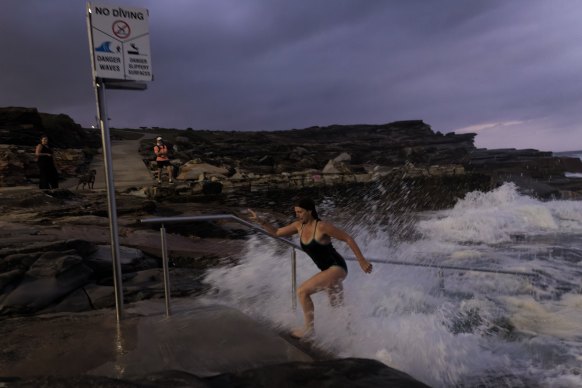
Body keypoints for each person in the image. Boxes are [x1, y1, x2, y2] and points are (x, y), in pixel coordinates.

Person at [248, 198, 373, 339]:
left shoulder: (322, 226)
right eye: (296, 212)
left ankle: (309, 330)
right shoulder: (298, 226)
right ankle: (352, 336)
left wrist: (361, 261)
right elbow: (276, 232)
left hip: (337, 267)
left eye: (300, 212)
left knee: (302, 291)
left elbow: (348, 238)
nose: (297, 215)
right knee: (338, 308)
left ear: (310, 211)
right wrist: (260, 221)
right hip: (327, 271)